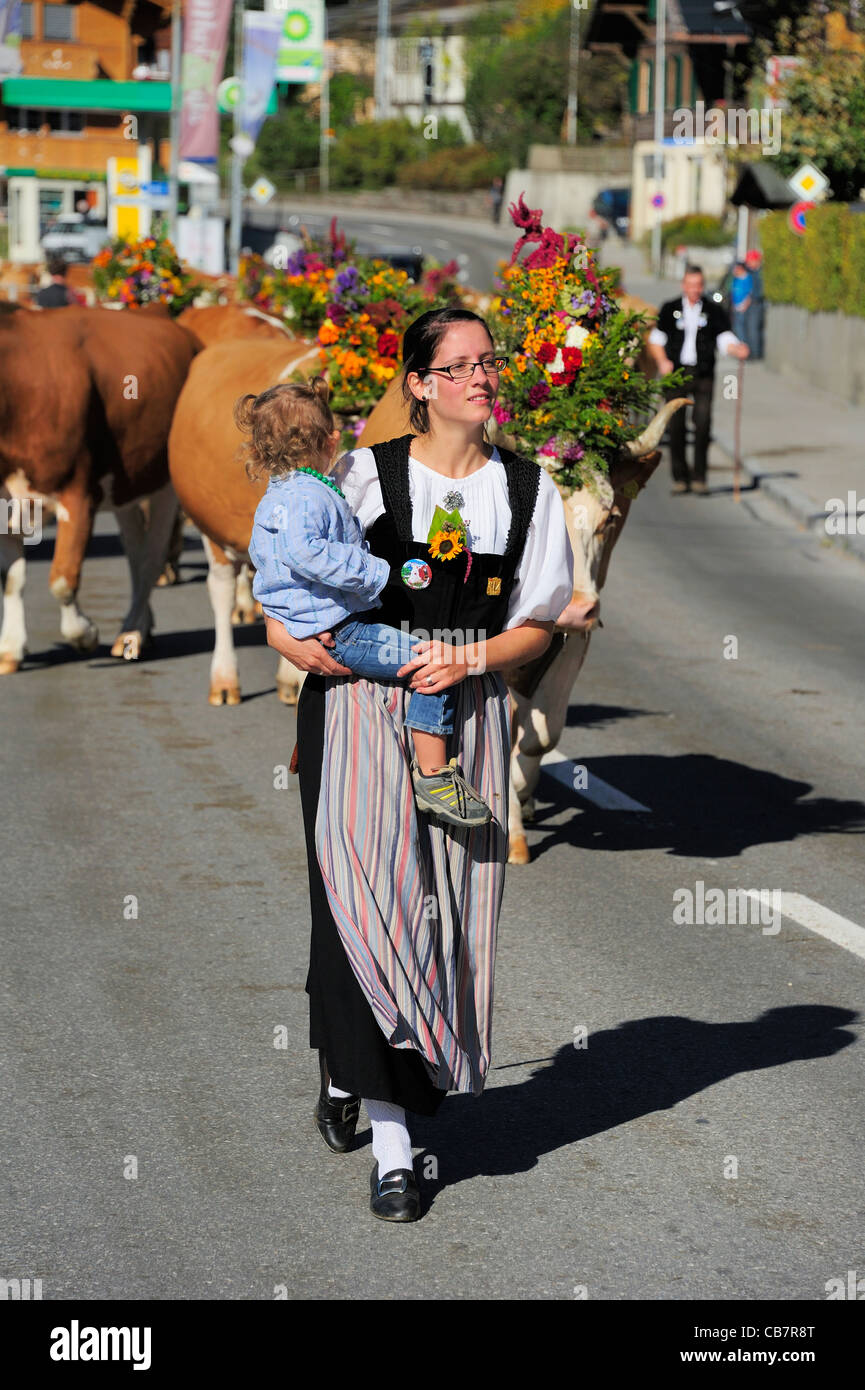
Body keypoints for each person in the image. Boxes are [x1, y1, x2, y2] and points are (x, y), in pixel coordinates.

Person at [263, 306, 574, 1222]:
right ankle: (396, 1150)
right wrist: (282, 631)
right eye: (463, 364)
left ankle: (345, 1065)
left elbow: (539, 619)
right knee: (365, 904)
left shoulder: (529, 491)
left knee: (440, 917)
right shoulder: (359, 474)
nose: (484, 377)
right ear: (420, 384)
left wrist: (470, 658)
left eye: (491, 362)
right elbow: (282, 562)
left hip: (464, 709)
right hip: (358, 706)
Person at [242, 377, 492, 828]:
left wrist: (285, 616)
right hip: (345, 630)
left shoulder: (279, 495)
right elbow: (305, 551)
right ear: (328, 440)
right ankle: (434, 774)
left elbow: (270, 561)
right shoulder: (308, 496)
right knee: (431, 663)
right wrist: (372, 570)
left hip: (321, 625)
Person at [648, 264, 749, 495]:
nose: (695, 289)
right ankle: (680, 477)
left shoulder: (714, 311)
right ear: (684, 285)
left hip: (703, 374)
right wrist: (662, 361)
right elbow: (655, 340)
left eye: (699, 285)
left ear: (702, 286)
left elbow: (724, 339)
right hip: (676, 375)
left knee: (702, 424)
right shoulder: (670, 309)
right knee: (676, 426)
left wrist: (737, 349)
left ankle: (700, 477)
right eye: (691, 284)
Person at [743, 248, 765, 360]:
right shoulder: (750, 272)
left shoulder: (759, 273)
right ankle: (752, 352)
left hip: (756, 304)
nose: (748, 263)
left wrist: (750, 299)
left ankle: (755, 354)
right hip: (751, 304)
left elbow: (758, 291)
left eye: (750, 261)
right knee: (750, 328)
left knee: (753, 329)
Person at [729, 260, 753, 345]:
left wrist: (745, 305)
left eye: (737, 268)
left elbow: (750, 294)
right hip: (735, 306)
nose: (735, 270)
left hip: (743, 307)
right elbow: (733, 291)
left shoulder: (747, 278)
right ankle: (739, 345)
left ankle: (744, 345)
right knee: (737, 327)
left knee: (742, 327)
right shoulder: (736, 278)